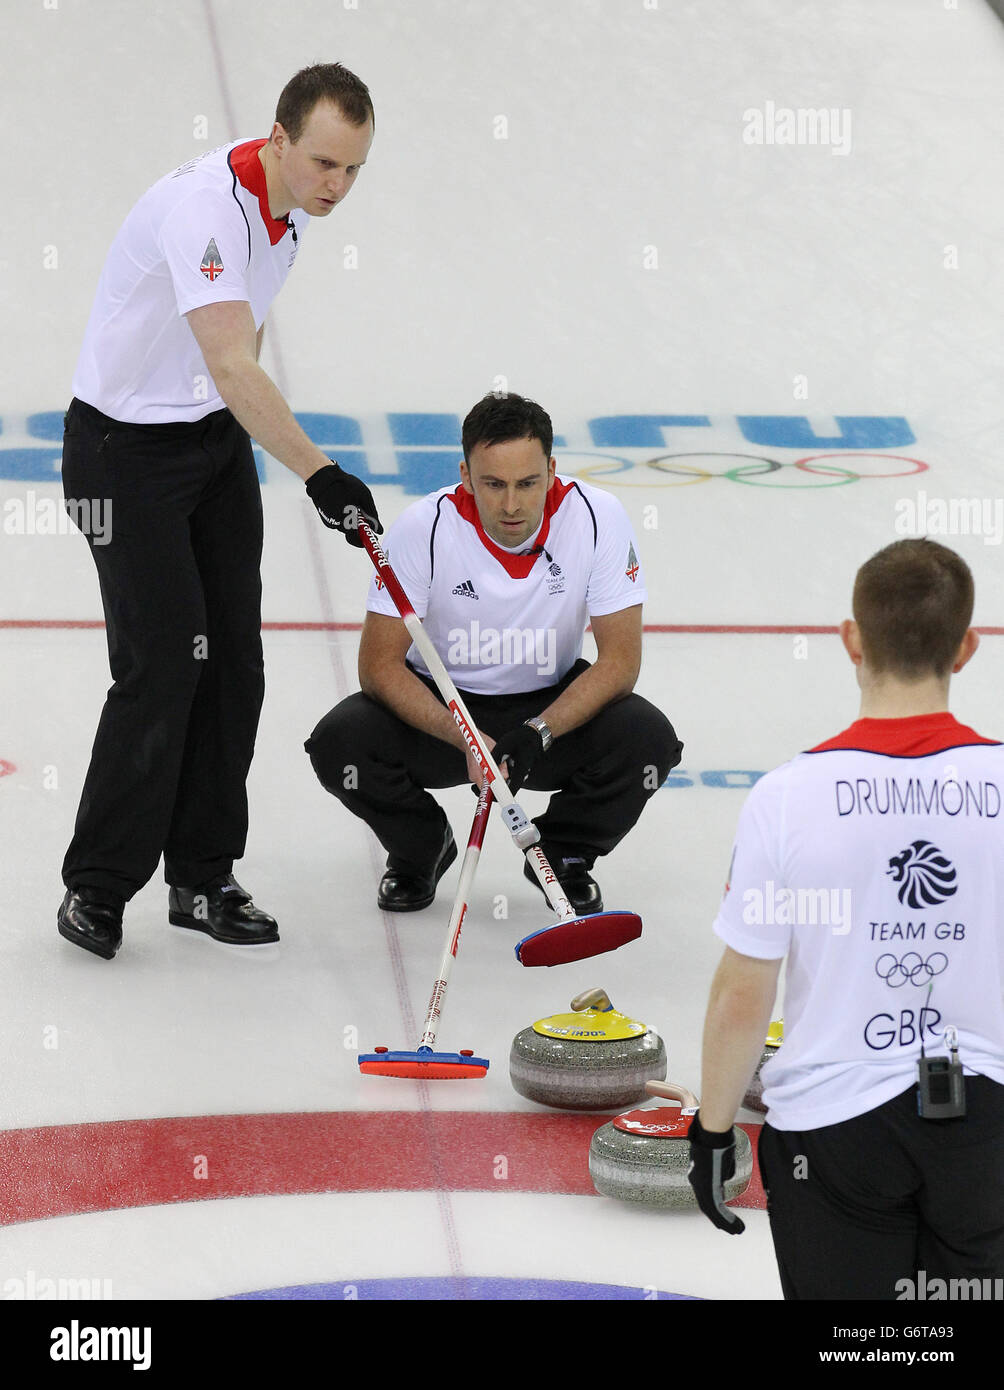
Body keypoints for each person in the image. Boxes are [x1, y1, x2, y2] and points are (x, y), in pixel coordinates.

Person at [58, 63, 381, 961]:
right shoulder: (205, 207)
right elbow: (234, 362)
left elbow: (244, 347)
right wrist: (321, 474)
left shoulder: (288, 214)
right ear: (278, 140)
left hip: (210, 446)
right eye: (323, 163)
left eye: (353, 170)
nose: (336, 186)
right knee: (163, 665)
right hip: (120, 457)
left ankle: (201, 876)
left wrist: (250, 443)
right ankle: (97, 886)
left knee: (232, 663)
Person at [687, 538, 1004, 1300]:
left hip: (836, 1132)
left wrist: (714, 1128)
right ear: (967, 646)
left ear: (852, 638)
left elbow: (743, 993)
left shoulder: (788, 798)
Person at [305, 391, 682, 914]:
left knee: (647, 739)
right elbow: (378, 667)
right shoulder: (424, 527)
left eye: (527, 483)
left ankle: (564, 855)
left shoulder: (597, 518)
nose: (511, 504)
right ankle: (422, 847)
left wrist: (536, 734)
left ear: (551, 470)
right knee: (339, 743)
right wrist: (464, 738)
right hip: (441, 707)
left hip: (546, 711)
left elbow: (620, 662)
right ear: (465, 474)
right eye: (493, 484)